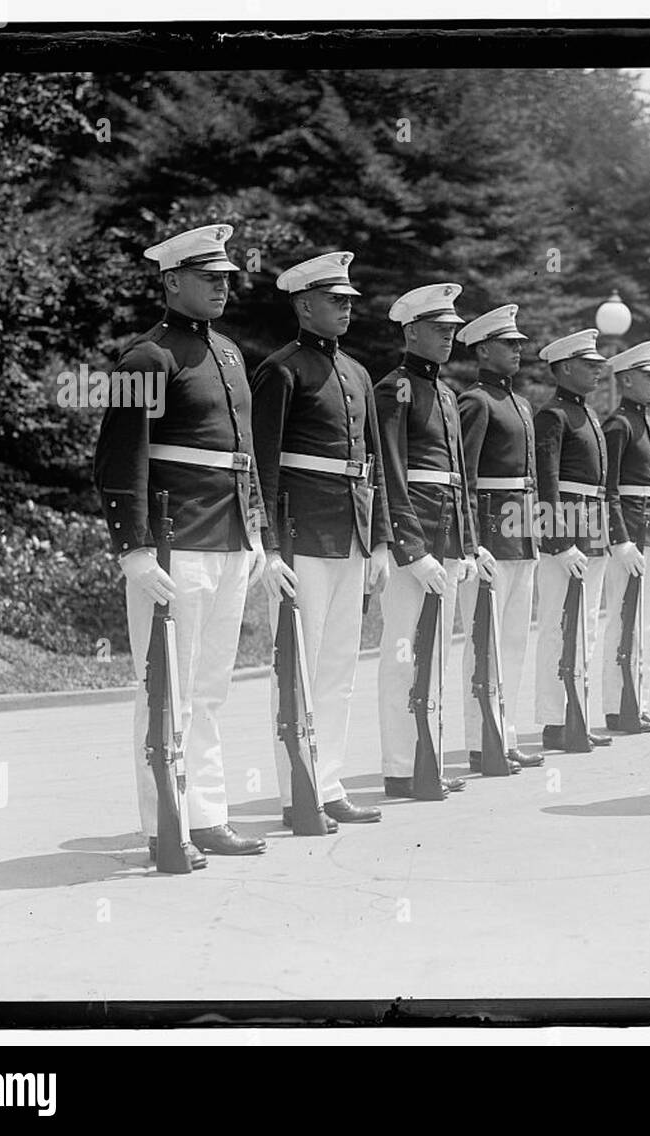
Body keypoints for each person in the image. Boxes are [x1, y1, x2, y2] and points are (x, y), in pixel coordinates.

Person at [94, 223, 273, 860]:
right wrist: (133, 549)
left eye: (227, 277)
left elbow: (244, 458)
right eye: (209, 277)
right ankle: (162, 826)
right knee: (163, 688)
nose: (223, 286)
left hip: (225, 541)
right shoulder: (147, 358)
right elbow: (119, 459)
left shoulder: (227, 353)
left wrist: (255, 535)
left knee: (210, 689)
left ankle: (208, 815)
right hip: (173, 546)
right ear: (172, 282)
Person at [250, 250, 388, 830]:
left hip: (351, 536)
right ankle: (298, 793)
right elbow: (262, 466)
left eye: (350, 301)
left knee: (339, 671)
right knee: (300, 669)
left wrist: (380, 541)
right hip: (304, 535)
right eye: (336, 301)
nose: (347, 310)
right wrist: (270, 547)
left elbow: (373, 464)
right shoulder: (282, 371)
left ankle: (329, 783)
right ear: (304, 305)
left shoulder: (357, 373)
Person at [373, 283, 478, 800]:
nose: (449, 338)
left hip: (449, 536)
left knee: (433, 653)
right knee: (402, 652)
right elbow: (391, 475)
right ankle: (400, 765)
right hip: (415, 541)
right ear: (411, 331)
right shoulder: (395, 389)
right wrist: (411, 551)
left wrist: (470, 542)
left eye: (454, 330)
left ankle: (427, 756)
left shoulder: (447, 394)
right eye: (440, 330)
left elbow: (458, 475)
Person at [455, 305, 545, 774]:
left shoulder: (521, 403)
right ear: (483, 349)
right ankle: (481, 740)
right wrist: (473, 540)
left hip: (521, 530)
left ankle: (504, 735)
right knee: (484, 640)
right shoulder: (476, 402)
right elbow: (465, 477)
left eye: (519, 343)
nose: (518, 350)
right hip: (491, 531)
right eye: (508, 344)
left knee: (512, 641)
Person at [532, 328, 614, 752]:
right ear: (564, 368)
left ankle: (575, 712)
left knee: (585, 629)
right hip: (567, 531)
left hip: (592, 529)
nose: (598, 369)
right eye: (589, 364)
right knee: (557, 626)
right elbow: (546, 482)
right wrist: (560, 543)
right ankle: (553, 718)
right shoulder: (554, 415)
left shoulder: (590, 414)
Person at [601, 340, 650, 733]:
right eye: (648, 376)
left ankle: (638, 702)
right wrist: (620, 540)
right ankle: (618, 707)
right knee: (624, 621)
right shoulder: (619, 426)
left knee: (646, 624)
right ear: (626, 379)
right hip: (631, 535)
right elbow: (609, 489)